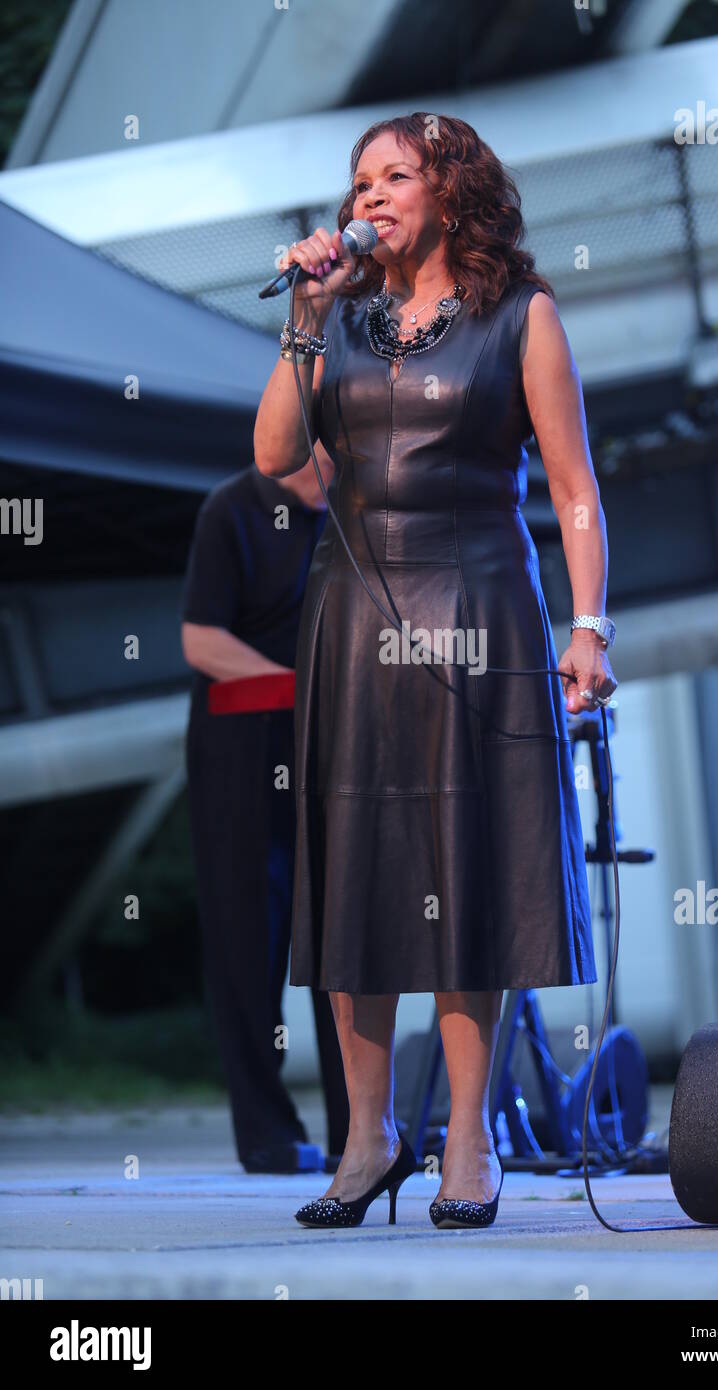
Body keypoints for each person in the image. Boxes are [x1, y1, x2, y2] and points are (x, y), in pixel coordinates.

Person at [253, 112, 616, 1227]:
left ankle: (467, 1139)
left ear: (449, 191)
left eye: (393, 176)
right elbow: (273, 457)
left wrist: (589, 623)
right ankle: (367, 1141)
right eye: (359, 180)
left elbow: (572, 489)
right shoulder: (340, 313)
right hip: (352, 614)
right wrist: (304, 324)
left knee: (469, 873)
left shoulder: (521, 315)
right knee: (355, 867)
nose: (369, 196)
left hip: (479, 606)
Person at [181, 455, 349, 1171]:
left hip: (331, 744)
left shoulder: (350, 511)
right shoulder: (230, 510)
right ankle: (266, 1132)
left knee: (342, 939)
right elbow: (201, 641)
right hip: (243, 751)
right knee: (251, 937)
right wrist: (298, 686)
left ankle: (361, 1131)